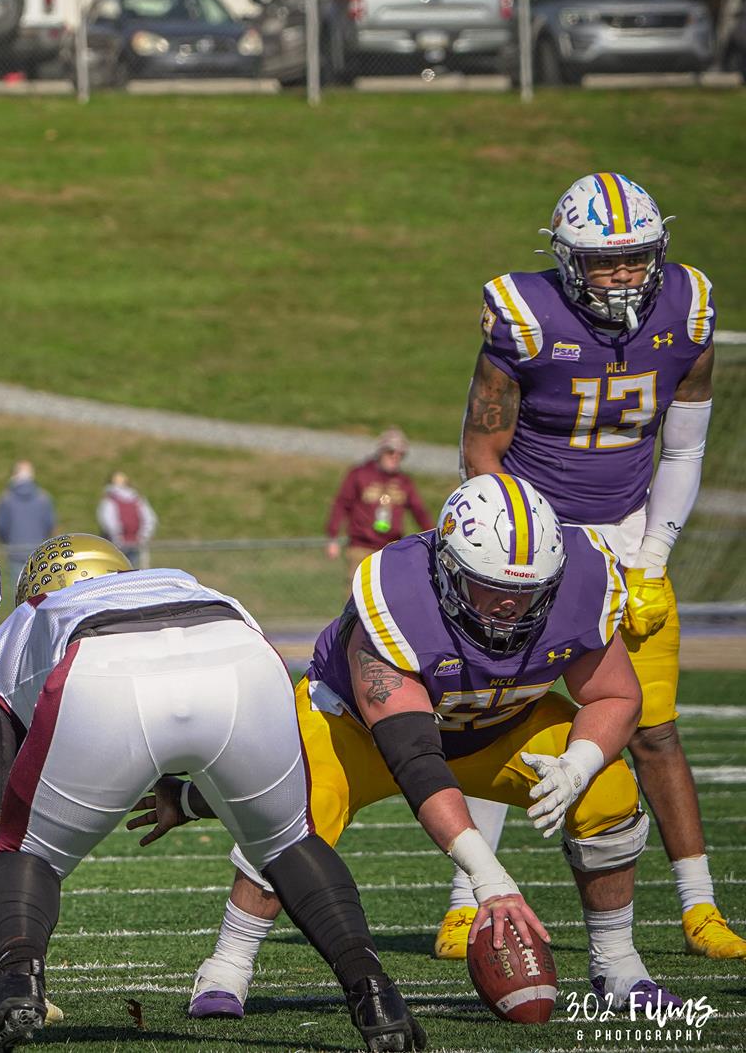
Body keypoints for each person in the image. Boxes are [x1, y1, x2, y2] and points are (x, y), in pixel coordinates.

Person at [187, 474, 682, 1020]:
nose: (510, 608)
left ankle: (619, 965)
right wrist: (487, 877)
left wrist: (578, 762)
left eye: (528, 592)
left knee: (610, 788)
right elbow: (416, 760)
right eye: (492, 587)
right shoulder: (399, 597)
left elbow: (615, 694)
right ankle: (228, 965)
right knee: (298, 817)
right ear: (446, 568)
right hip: (357, 731)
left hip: (500, 722)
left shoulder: (581, 581)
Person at [0, 536, 423, 1053]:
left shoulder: (32, 619)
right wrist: (193, 795)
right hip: (240, 652)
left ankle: (19, 985)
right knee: (289, 844)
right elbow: (215, 733)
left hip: (100, 666)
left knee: (25, 854)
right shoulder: (180, 580)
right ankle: (375, 992)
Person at [434, 172, 733, 960]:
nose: (623, 275)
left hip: (631, 536)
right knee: (501, 717)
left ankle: (700, 907)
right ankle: (468, 898)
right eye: (604, 262)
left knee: (655, 725)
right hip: (537, 545)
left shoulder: (689, 308)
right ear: (566, 260)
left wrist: (655, 554)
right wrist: (509, 551)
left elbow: (686, 445)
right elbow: (482, 447)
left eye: (636, 258)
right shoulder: (524, 317)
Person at [325, 430, 428, 570]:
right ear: (381, 452)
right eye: (391, 452)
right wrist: (333, 536)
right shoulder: (360, 474)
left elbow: (419, 511)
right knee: (358, 589)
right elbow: (342, 504)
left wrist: (433, 537)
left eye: (401, 454)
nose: (395, 457)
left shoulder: (404, 482)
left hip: (391, 548)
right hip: (361, 547)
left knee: (391, 590)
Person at [0, 461, 56, 596]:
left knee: (18, 591)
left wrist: (6, 541)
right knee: (38, 592)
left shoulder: (6, 499)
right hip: (38, 550)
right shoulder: (43, 498)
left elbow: (0, 525)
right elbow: (49, 523)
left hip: (15, 550)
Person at [96, 471, 158, 569]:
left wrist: (144, 535)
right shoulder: (109, 499)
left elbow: (149, 517)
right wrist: (117, 536)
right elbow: (108, 519)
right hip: (116, 543)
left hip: (136, 541)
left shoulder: (136, 498)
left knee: (134, 569)